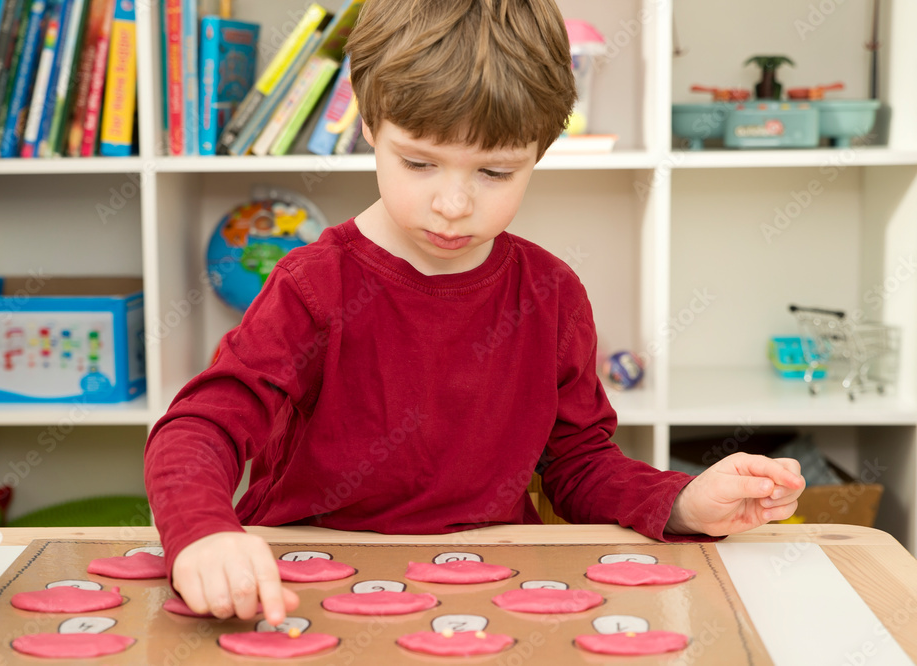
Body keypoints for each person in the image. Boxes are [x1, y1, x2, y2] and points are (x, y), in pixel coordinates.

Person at [144, 0, 805, 628]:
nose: (453, 203)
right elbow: (200, 427)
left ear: (540, 151)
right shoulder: (311, 285)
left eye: (494, 172)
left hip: (491, 588)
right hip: (308, 585)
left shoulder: (551, 293)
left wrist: (683, 501)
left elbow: (578, 464)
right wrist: (202, 533)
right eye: (419, 163)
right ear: (369, 125)